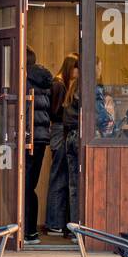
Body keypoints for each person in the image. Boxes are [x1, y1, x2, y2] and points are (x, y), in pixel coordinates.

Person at [45, 52, 79, 235]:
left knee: (62, 176)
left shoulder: (62, 84)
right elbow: (56, 113)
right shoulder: (59, 85)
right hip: (59, 131)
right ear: (71, 67)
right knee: (58, 175)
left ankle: (58, 222)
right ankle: (54, 222)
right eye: (77, 68)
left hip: (60, 131)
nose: (79, 72)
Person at [22, 47, 53, 245]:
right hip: (40, 139)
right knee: (29, 186)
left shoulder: (25, 81)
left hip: (28, 138)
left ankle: (28, 231)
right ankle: (30, 232)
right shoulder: (43, 80)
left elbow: (24, 112)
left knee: (23, 186)